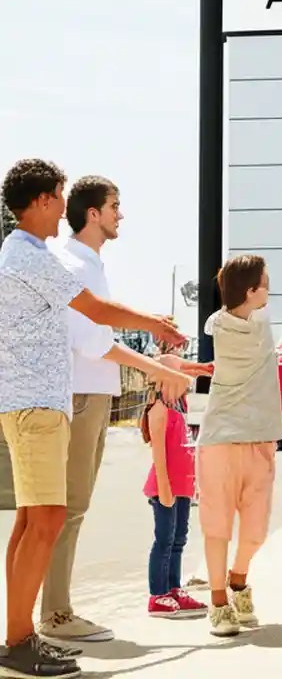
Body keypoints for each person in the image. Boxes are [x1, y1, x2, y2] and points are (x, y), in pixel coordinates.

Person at [0, 158, 186, 678]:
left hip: (34, 399)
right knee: (50, 517)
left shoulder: (28, 252)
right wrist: (157, 324)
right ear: (41, 201)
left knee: (33, 519)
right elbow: (97, 313)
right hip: (35, 402)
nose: (64, 204)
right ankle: (18, 640)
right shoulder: (31, 255)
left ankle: (18, 635)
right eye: (59, 195)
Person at [39, 175, 191, 644]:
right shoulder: (78, 265)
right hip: (81, 395)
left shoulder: (85, 263)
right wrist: (156, 368)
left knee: (67, 508)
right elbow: (93, 341)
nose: (120, 214)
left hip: (90, 396)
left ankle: (55, 610)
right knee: (67, 508)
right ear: (93, 214)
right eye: (114, 206)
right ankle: (56, 615)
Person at [195, 254, 282, 637]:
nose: (270, 290)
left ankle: (238, 580)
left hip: (260, 437)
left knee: (255, 529)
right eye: (265, 283)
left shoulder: (221, 320)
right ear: (252, 292)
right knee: (217, 524)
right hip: (220, 437)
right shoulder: (253, 322)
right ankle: (218, 602)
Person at [142, 352, 211, 620]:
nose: (186, 378)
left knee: (179, 539)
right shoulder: (159, 410)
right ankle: (157, 596)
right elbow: (159, 456)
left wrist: (204, 369)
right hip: (165, 488)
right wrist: (165, 489)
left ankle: (173, 589)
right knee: (164, 540)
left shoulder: (181, 406)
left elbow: (186, 452)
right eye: (179, 373)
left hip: (182, 487)